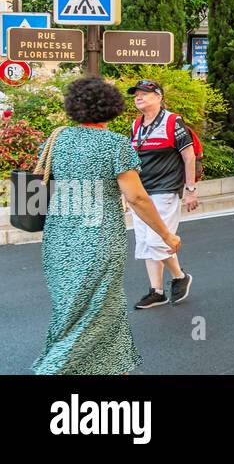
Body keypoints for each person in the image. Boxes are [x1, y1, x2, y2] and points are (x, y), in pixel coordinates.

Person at [33, 77, 181, 374]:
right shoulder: (114, 144)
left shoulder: (55, 139)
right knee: (101, 309)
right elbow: (137, 198)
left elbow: (41, 185)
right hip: (99, 239)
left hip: (58, 240)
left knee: (71, 311)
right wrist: (166, 234)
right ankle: (52, 368)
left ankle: (115, 369)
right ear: (110, 108)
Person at [125, 79, 197, 309]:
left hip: (165, 189)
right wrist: (125, 193)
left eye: (144, 93)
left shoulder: (172, 121)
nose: (138, 97)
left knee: (158, 239)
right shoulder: (136, 125)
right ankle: (156, 291)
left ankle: (179, 276)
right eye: (136, 94)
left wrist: (191, 190)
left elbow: (189, 156)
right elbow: (131, 161)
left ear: (158, 96)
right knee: (145, 242)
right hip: (141, 192)